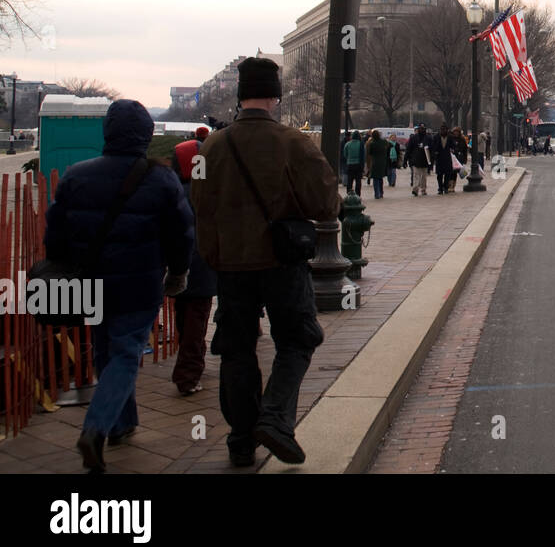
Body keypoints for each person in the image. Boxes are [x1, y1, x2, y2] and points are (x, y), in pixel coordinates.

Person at [191, 57, 339, 467]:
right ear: (276, 95)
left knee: (236, 349)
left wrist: (213, 256)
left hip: (231, 265)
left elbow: (199, 206)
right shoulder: (293, 142)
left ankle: (241, 440)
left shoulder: (212, 146)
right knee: (298, 339)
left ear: (240, 96)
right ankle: (274, 418)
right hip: (281, 261)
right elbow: (326, 206)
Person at [43, 99, 195, 472]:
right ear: (145, 134)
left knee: (104, 350)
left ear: (107, 133)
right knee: (126, 353)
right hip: (139, 283)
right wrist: (178, 274)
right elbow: (181, 235)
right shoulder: (161, 179)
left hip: (90, 280)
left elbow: (55, 235)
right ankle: (96, 427)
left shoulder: (77, 175)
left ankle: (121, 423)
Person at [169, 125, 217, 397]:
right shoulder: (207, 191)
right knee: (196, 319)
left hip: (178, 265)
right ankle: (188, 372)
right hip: (202, 265)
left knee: (184, 316)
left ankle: (190, 361)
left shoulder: (172, 191)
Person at [407, 125, 431, 196]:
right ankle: (415, 189)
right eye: (420, 129)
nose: (421, 130)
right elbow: (409, 149)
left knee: (423, 176)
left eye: (423, 129)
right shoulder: (413, 138)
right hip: (416, 160)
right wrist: (407, 159)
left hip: (425, 160)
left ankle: (423, 189)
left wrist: (431, 160)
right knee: (416, 175)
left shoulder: (428, 138)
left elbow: (431, 149)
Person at [365, 129, 389, 199]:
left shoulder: (372, 143)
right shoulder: (384, 142)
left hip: (375, 162)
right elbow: (388, 146)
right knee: (380, 178)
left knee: (375, 178)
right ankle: (381, 192)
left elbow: (370, 153)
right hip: (383, 162)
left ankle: (377, 193)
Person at [433, 124, 455, 194]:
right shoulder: (436, 137)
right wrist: (435, 152)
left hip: (447, 158)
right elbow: (433, 146)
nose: (443, 131)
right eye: (442, 129)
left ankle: (445, 187)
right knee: (439, 175)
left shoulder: (450, 137)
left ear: (447, 130)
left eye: (444, 129)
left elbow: (453, 146)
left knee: (447, 174)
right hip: (439, 158)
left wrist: (453, 150)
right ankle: (440, 188)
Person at [342, 131, 364, 196]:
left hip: (350, 164)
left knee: (350, 180)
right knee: (358, 181)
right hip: (358, 164)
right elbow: (363, 155)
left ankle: (349, 193)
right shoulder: (361, 144)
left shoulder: (347, 144)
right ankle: (358, 194)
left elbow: (345, 154)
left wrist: (349, 159)